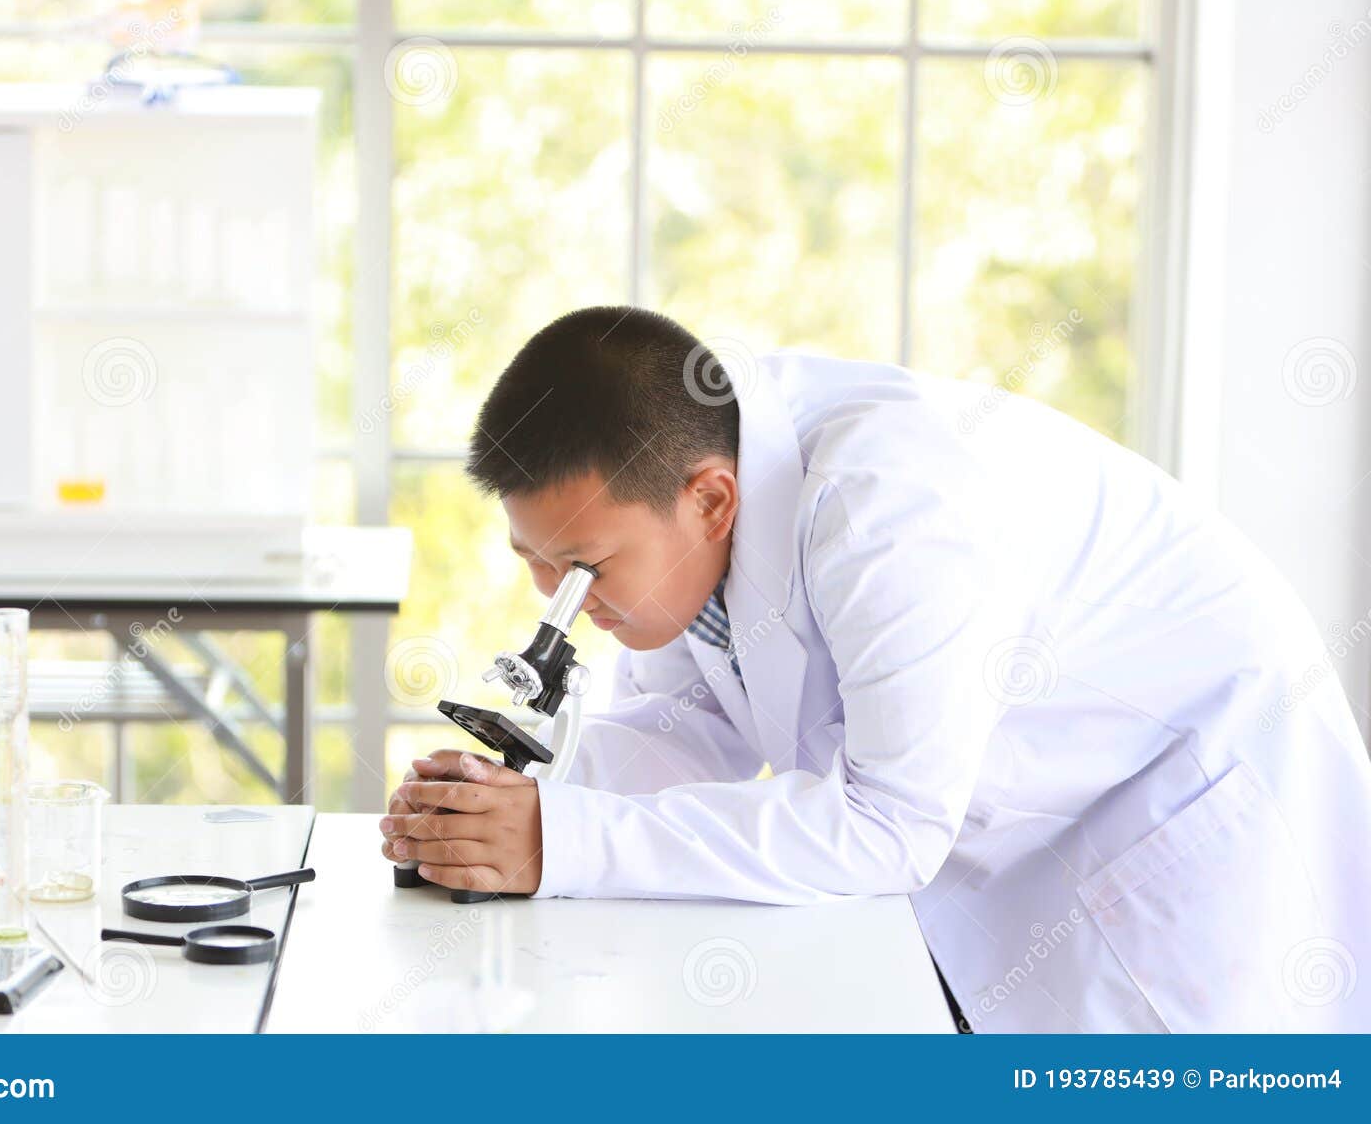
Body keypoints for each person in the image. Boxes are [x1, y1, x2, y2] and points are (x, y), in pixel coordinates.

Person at [379, 305, 1371, 1032]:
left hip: (1188, 814)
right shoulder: (685, 487)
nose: (560, 600)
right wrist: (502, 816)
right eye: (535, 564)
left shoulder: (886, 502)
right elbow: (691, 727)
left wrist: (558, 840)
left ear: (711, 500)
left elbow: (890, 822)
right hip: (1022, 835)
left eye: (583, 566)